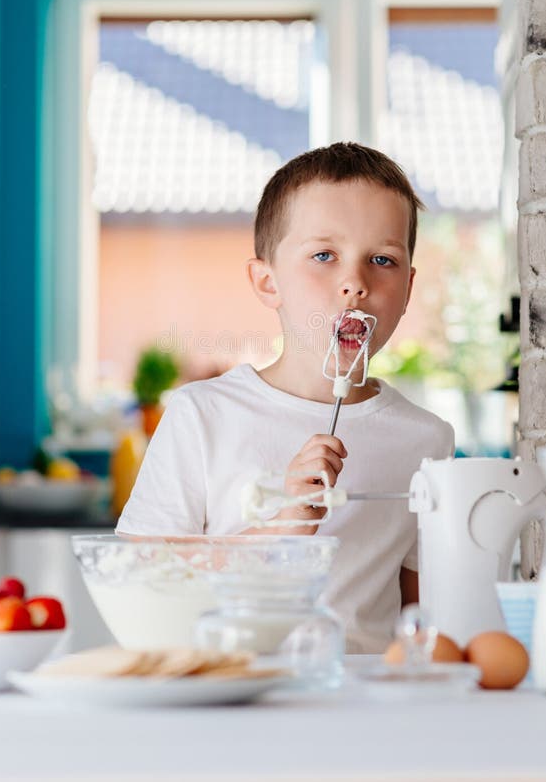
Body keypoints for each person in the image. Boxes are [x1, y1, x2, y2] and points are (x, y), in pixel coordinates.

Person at [117, 142, 454, 653]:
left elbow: (424, 620)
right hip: (228, 703)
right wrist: (279, 531)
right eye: (324, 256)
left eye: (381, 260)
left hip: (364, 715)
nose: (354, 284)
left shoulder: (427, 440)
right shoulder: (202, 415)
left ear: (407, 289)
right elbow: (141, 584)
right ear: (267, 281)